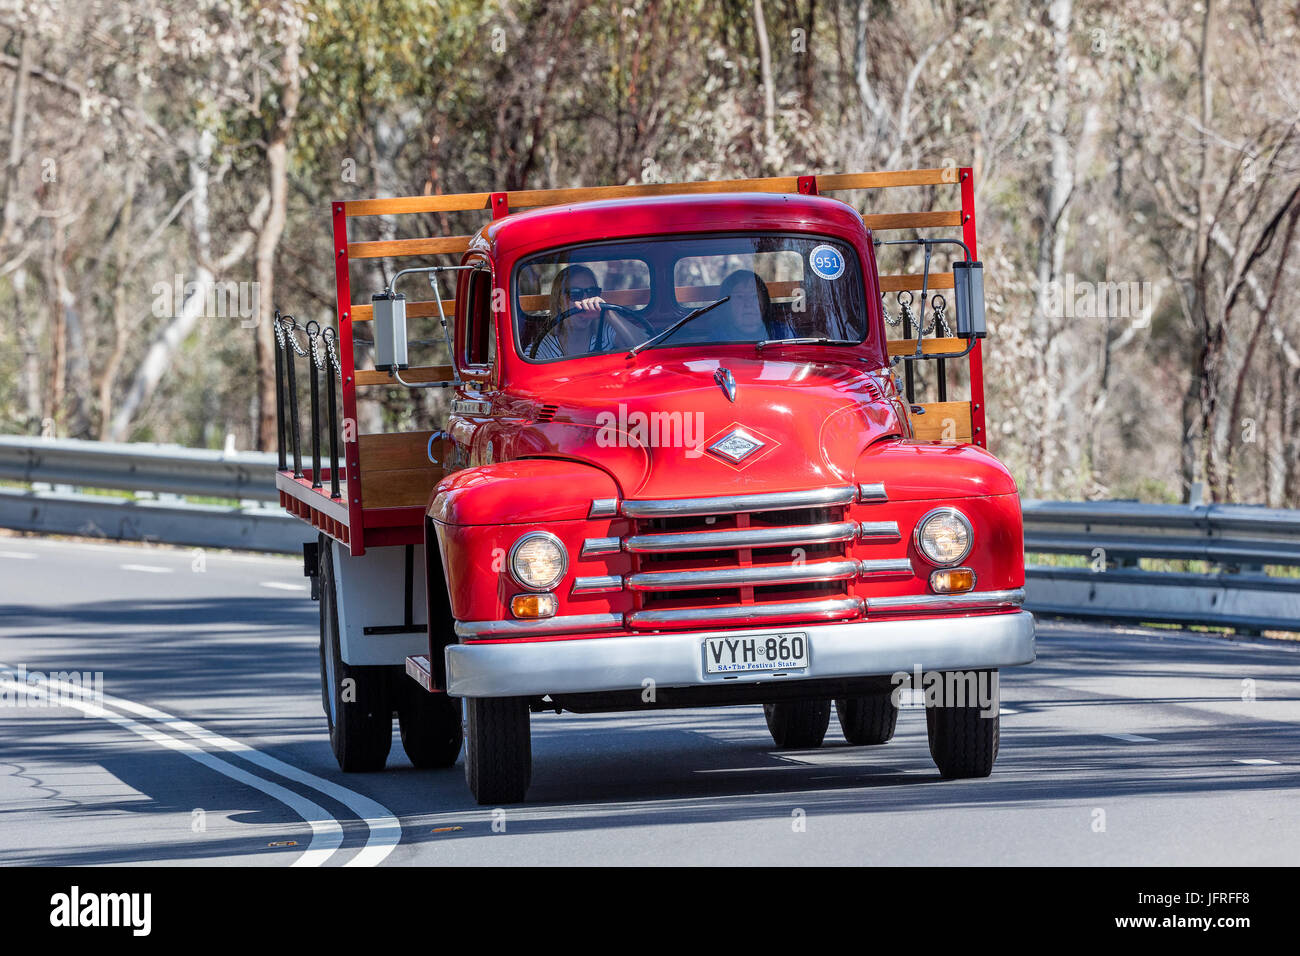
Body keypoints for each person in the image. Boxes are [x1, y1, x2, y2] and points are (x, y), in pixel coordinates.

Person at [527, 265, 642, 359]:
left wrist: (609, 314)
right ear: (559, 301)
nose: (585, 301)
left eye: (592, 292)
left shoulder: (606, 332)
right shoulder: (543, 346)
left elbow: (647, 347)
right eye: (575, 294)